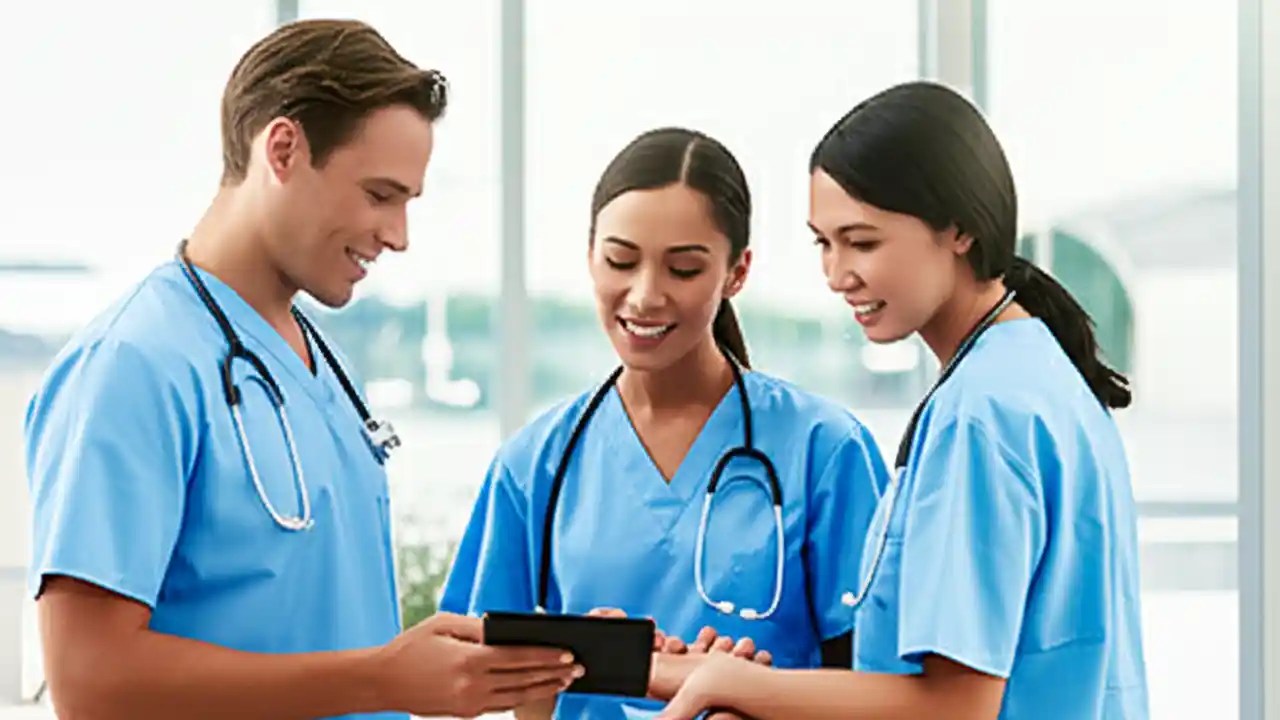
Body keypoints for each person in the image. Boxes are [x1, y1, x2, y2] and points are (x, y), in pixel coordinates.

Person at [23, 19, 582, 720]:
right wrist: (381, 679)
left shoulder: (321, 365)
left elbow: (325, 632)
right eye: (380, 196)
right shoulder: (135, 364)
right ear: (283, 149)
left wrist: (455, 665)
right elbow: (89, 679)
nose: (399, 236)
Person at [652, 81, 1150, 720]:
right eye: (823, 243)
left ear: (960, 230)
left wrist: (733, 685)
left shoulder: (981, 414)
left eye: (862, 242)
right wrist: (702, 678)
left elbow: (955, 705)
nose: (837, 275)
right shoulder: (1038, 374)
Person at [439, 126, 891, 719]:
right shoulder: (535, 465)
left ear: (737, 273)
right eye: (621, 261)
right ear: (591, 256)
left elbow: (881, 688)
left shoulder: (824, 450)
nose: (645, 296)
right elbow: (469, 685)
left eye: (683, 270)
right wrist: (560, 662)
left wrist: (754, 697)